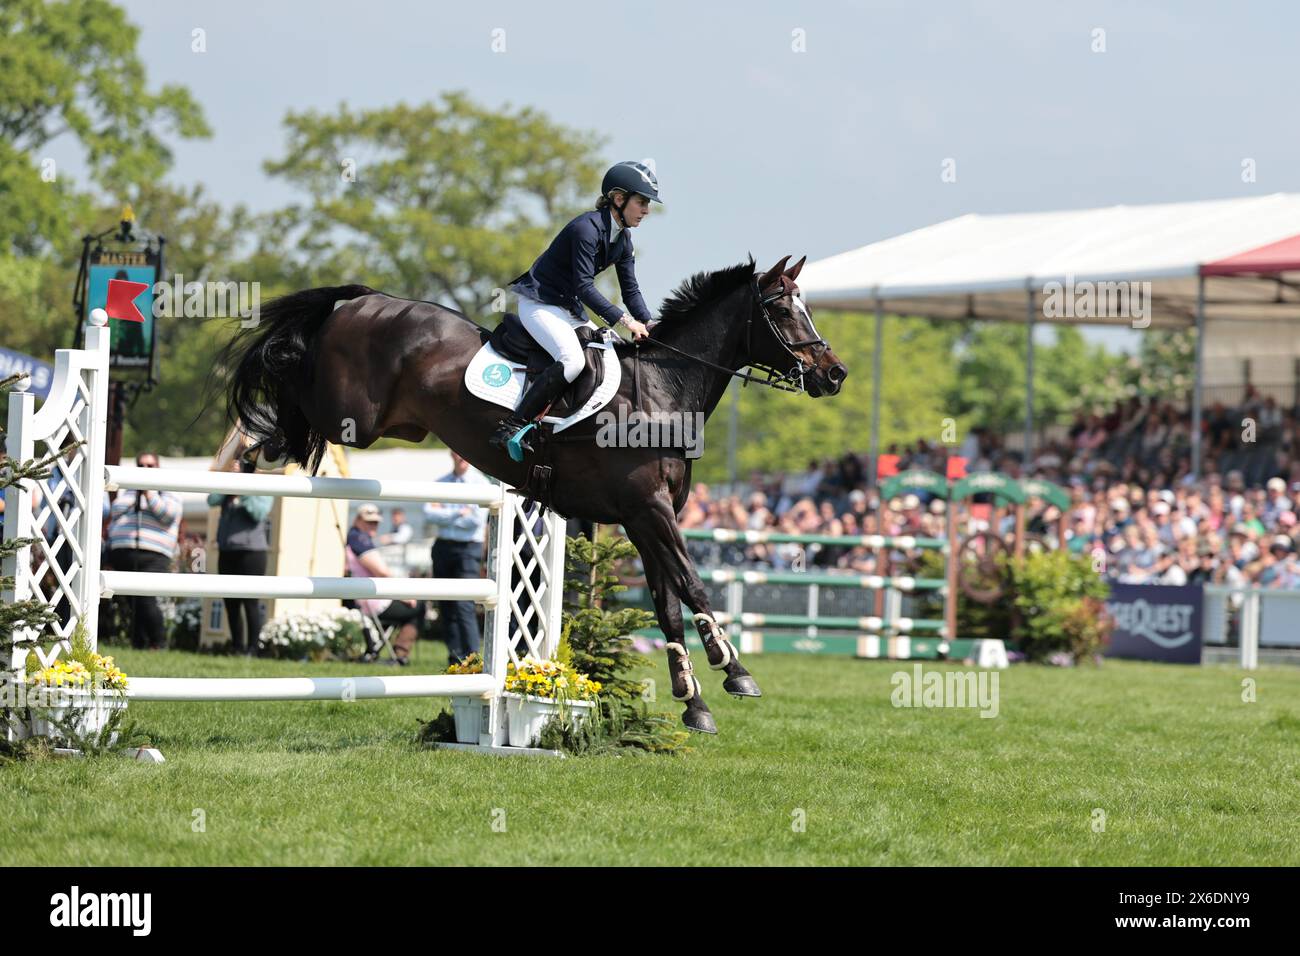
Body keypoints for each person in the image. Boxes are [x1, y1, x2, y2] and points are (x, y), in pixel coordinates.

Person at [491, 160, 661, 455]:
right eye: (642, 202)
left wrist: (649, 323)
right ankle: (512, 426)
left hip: (567, 309)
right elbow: (584, 287)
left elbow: (630, 290)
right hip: (539, 304)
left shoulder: (623, 239)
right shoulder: (586, 228)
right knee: (572, 361)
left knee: (611, 354)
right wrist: (625, 320)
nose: (646, 210)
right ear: (619, 199)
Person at [106, 452, 181, 649]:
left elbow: (168, 514)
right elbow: (116, 509)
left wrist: (150, 493)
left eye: (150, 466)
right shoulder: (130, 491)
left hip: (154, 555)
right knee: (133, 601)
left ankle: (159, 642)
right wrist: (138, 493)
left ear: (158, 468)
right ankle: (139, 643)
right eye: (141, 465)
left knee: (146, 599)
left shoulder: (168, 490)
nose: (145, 469)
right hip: (125, 553)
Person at [423, 451, 489, 664]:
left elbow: (476, 520)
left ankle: (472, 658)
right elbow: (428, 513)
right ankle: (455, 656)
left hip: (468, 548)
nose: (460, 455)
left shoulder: (481, 483)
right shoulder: (441, 482)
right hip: (442, 546)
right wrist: (458, 513)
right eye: (455, 451)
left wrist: (444, 515)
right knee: (446, 604)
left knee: (464, 604)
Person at [206, 456, 272, 656]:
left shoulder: (262, 487)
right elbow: (211, 500)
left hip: (252, 553)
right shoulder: (228, 487)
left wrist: (243, 490)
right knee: (231, 603)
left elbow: (259, 513)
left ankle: (253, 648)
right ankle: (237, 647)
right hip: (227, 550)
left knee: (250, 602)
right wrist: (229, 481)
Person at [345, 503, 422, 665]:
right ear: (358, 520)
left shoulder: (355, 537)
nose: (374, 525)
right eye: (369, 521)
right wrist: (403, 595)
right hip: (373, 602)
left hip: (367, 600)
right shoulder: (359, 540)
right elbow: (382, 572)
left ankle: (380, 649)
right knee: (419, 606)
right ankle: (400, 654)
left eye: (376, 522)